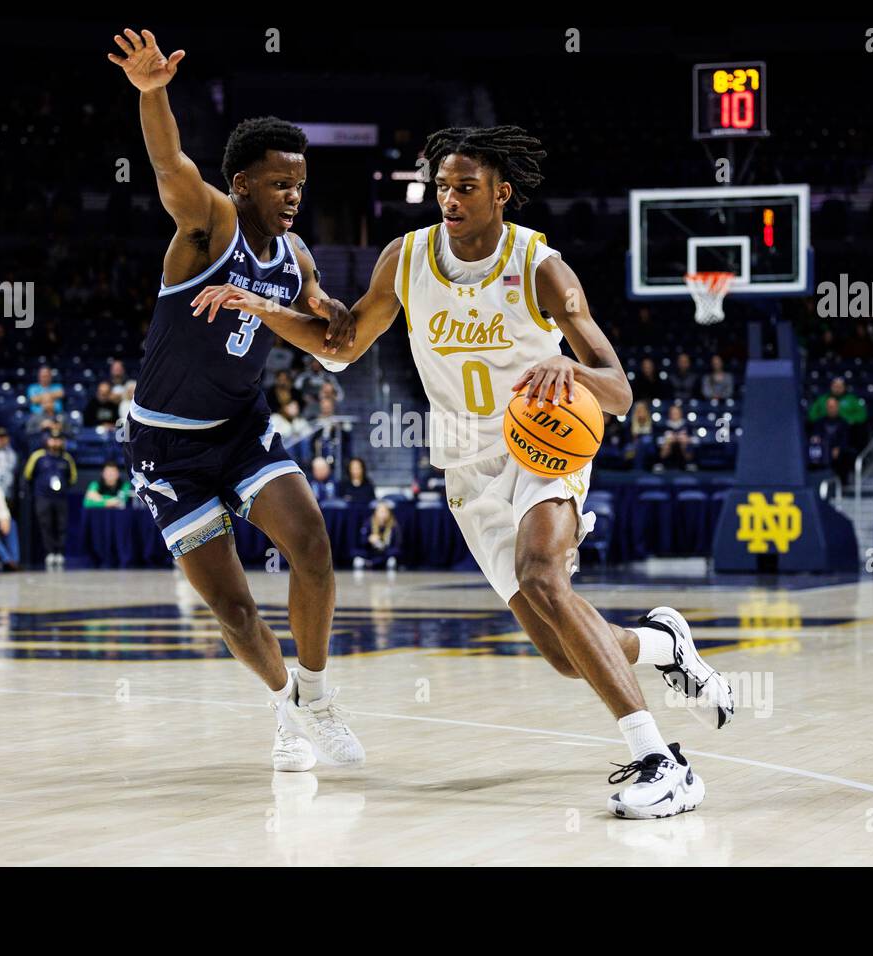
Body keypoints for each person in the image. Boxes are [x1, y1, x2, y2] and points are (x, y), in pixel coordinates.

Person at [194, 124, 732, 818]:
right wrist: (264, 309)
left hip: (545, 449)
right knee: (567, 655)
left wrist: (568, 366)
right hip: (467, 471)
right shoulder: (407, 258)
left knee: (545, 574)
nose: (449, 198)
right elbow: (342, 347)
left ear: (501, 193)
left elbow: (619, 391)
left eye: (465, 187)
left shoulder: (540, 266)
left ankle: (664, 762)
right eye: (440, 186)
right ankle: (663, 645)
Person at [107, 27, 364, 773]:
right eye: (281, 184)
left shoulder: (296, 255)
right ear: (245, 183)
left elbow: (321, 334)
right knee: (233, 607)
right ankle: (285, 708)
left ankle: (315, 698)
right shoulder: (208, 223)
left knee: (312, 545)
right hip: (166, 445)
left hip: (242, 429)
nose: (294, 197)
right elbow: (168, 161)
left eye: (302, 186)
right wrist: (153, 94)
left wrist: (331, 310)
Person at [23, 430, 77, 569]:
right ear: (47, 441)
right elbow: (28, 475)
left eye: (58, 439)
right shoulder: (38, 456)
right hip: (43, 497)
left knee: (61, 525)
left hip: (60, 498)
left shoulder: (66, 458)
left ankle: (59, 553)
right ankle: (49, 553)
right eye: (52, 439)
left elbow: (72, 478)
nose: (55, 442)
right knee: (45, 525)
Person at [352, 501, 400, 570]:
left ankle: (373, 563)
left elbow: (397, 545)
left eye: (385, 512)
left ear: (389, 513)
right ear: (376, 512)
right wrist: (369, 539)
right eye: (381, 512)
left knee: (393, 557)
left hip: (385, 552)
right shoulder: (368, 523)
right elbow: (361, 541)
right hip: (371, 552)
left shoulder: (394, 526)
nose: (383, 515)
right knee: (355, 554)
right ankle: (373, 562)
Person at [655, 403, 693, 472]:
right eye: (672, 413)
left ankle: (689, 463)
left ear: (681, 413)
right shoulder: (665, 425)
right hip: (669, 445)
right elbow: (658, 440)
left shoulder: (687, 425)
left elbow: (694, 439)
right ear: (669, 414)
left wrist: (686, 439)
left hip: (682, 446)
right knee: (667, 442)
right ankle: (661, 463)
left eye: (676, 413)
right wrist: (667, 439)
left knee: (685, 441)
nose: (674, 415)